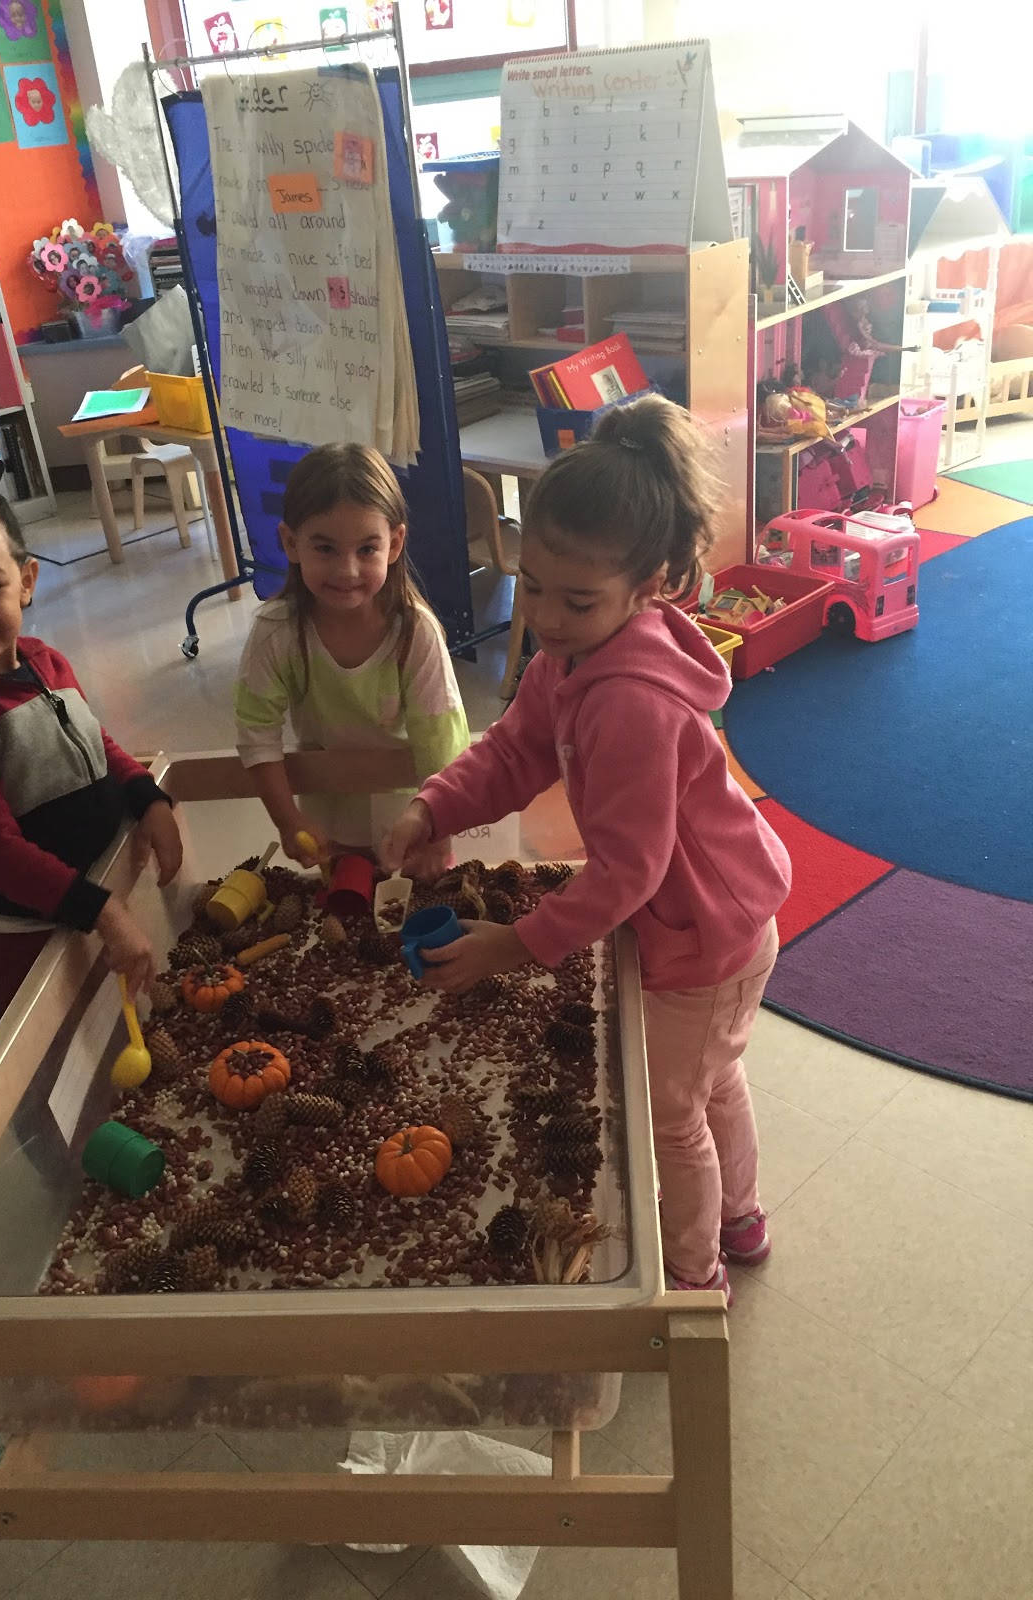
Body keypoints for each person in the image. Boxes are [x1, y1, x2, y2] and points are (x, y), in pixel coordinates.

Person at [381, 397, 792, 1300]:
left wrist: (513, 945)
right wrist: (435, 807)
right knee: (711, 1075)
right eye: (533, 587)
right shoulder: (563, 662)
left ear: (648, 589)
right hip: (689, 914)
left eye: (577, 600)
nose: (549, 617)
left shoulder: (632, 704)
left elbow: (629, 873)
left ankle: (693, 1281)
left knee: (671, 1106)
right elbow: (515, 749)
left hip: (707, 932)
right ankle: (741, 1216)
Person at [0, 454, 182, 1031]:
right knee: (51, 1063)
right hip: (21, 940)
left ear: (25, 582)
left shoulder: (47, 662)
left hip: (93, 901)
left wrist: (148, 799)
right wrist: (101, 912)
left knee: (114, 1032)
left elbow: (97, 744)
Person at [234, 441, 469, 874]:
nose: (347, 571)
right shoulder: (276, 631)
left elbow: (443, 747)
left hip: (414, 822)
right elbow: (256, 733)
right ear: (290, 541)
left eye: (366, 549)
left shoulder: (416, 632)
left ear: (395, 544)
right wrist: (288, 822)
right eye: (324, 548)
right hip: (329, 826)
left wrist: (438, 832)